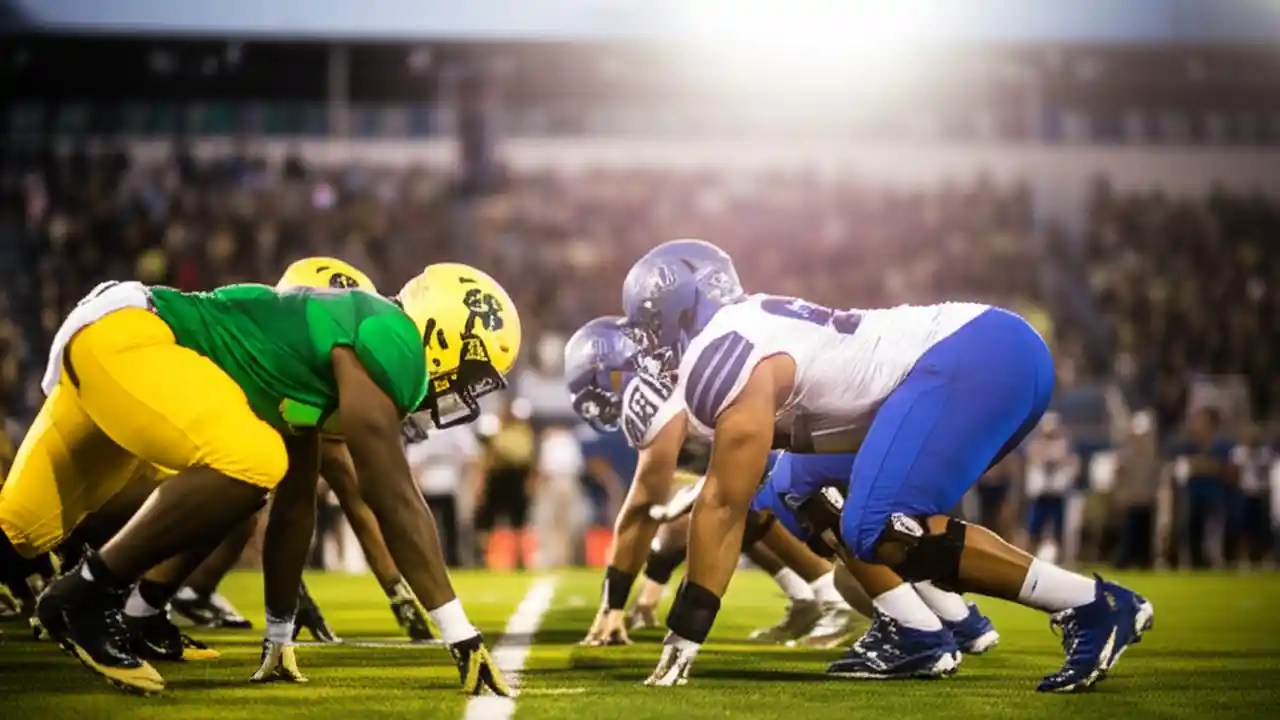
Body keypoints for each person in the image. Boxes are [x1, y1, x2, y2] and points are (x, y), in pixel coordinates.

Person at [623, 239, 1152, 693]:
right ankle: (919, 629)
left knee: (875, 524)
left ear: (681, 308)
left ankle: (1090, 603)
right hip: (987, 353)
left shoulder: (717, 354)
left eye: (650, 324)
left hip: (976, 358)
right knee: (796, 479)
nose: (650, 343)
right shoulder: (747, 326)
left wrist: (686, 630)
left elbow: (722, 502)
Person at [0, 262, 518, 696]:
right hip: (138, 343)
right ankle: (90, 592)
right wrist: (461, 633)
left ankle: (90, 586)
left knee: (17, 532)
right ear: (442, 333)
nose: (463, 396)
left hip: (110, 337)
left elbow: (296, 508)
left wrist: (278, 633)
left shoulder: (313, 362)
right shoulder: (394, 336)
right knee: (253, 459)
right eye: (470, 374)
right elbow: (391, 495)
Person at [406, 423, 484, 567]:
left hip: (450, 489)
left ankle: (452, 562)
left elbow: (474, 457)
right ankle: (432, 563)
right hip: (427, 489)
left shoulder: (456, 431)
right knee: (430, 532)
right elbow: (413, 465)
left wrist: (475, 484)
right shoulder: (422, 431)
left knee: (450, 533)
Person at [1173, 406, 1234, 568]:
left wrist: (1203, 466)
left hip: (1214, 495)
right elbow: (1186, 466)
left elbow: (1224, 468)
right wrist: (1209, 466)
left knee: (1213, 531)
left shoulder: (1222, 445)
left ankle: (1215, 561)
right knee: (1192, 530)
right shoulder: (1188, 444)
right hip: (1193, 495)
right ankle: (1193, 563)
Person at [1022, 412, 1080, 563]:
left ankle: (1062, 562)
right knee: (1033, 530)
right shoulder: (1035, 445)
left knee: (1059, 531)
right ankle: (1027, 559)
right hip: (1040, 493)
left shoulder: (1064, 445)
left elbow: (1071, 464)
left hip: (1057, 492)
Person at [1112, 411, 1162, 569]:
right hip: (1131, 502)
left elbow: (1158, 480)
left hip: (1147, 501)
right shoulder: (1126, 455)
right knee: (1129, 537)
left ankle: (1145, 562)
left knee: (1146, 537)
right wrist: (1118, 496)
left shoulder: (1153, 456)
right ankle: (1126, 562)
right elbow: (1119, 477)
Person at [1229, 424, 1276, 568]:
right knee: (1244, 528)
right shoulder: (1238, 452)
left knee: (1263, 528)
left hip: (1260, 493)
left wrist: (1267, 490)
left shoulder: (1265, 453)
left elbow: (1268, 473)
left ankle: (1265, 558)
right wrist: (1238, 489)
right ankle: (1243, 558)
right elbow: (1234, 473)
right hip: (1244, 493)